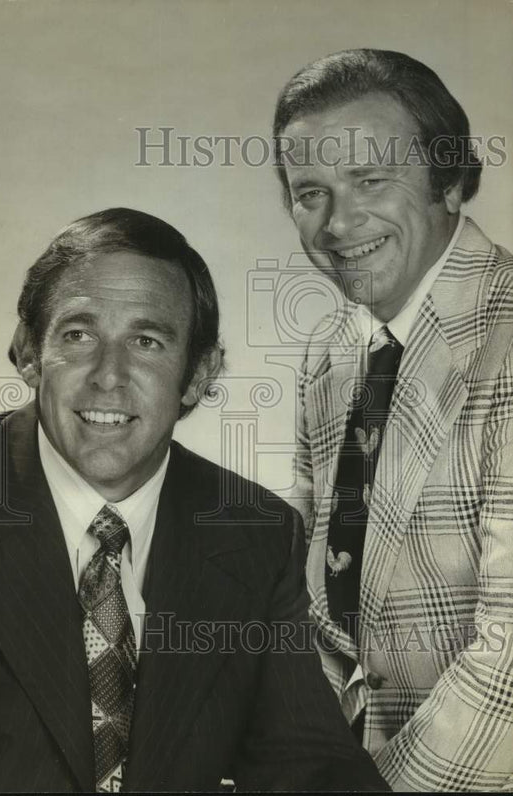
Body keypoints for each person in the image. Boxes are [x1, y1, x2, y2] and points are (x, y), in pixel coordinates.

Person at [0, 208, 387, 792]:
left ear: (197, 374)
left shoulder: (256, 532)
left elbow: (309, 769)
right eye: (79, 335)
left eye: (147, 340)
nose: (108, 376)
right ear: (29, 353)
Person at [272, 48, 513, 791]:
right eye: (309, 191)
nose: (338, 223)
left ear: (447, 181)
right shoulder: (334, 350)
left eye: (370, 180)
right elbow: (313, 594)